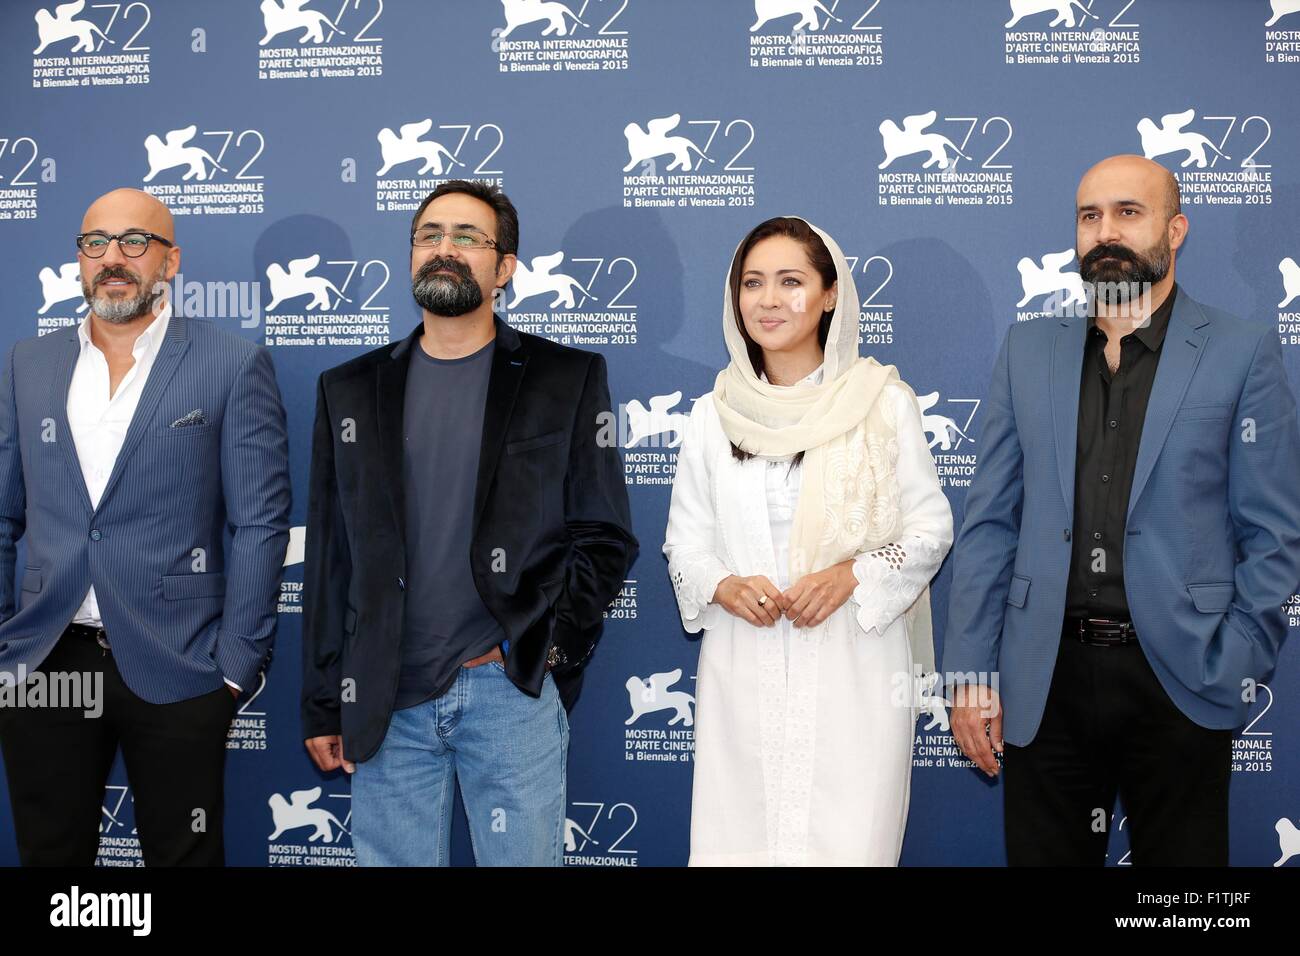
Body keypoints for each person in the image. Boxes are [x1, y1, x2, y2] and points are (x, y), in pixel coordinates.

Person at [944, 155, 1300, 865]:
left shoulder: (1240, 351)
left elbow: (1274, 534)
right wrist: (972, 673)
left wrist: (1232, 659)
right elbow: (989, 523)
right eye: (1089, 216)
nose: (1105, 231)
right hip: (1044, 679)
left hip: (1182, 677)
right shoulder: (1027, 350)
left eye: (1128, 213)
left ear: (1176, 229)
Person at [302, 180, 637, 866]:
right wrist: (322, 699)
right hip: (385, 694)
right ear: (410, 256)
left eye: (467, 237)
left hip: (508, 694)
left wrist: (544, 646)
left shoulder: (564, 378)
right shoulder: (349, 388)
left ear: (504, 267)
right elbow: (331, 556)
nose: (444, 249)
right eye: (430, 235)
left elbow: (604, 535)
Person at [0, 187, 291, 866]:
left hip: (180, 663)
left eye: (135, 242)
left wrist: (235, 669)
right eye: (95, 243)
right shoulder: (29, 364)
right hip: (45, 659)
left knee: (183, 856)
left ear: (170, 261)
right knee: (52, 859)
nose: (113, 258)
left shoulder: (230, 364)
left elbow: (260, 523)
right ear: (79, 259)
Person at [663, 216, 952, 865]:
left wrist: (852, 574)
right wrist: (723, 585)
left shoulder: (883, 402)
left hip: (856, 668)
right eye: (753, 282)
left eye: (791, 281)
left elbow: (931, 528)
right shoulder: (713, 414)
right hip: (743, 670)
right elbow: (685, 542)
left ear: (830, 295)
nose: (769, 300)